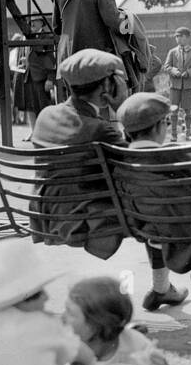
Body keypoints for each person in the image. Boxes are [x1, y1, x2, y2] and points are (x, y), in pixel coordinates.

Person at [115, 91, 191, 311]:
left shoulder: (119, 160)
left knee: (162, 214)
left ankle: (164, 286)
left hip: (147, 229)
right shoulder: (174, 154)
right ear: (159, 126)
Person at [29, 48, 128, 260]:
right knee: (157, 194)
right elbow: (138, 166)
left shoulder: (45, 115)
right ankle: (163, 287)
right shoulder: (100, 129)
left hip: (45, 213)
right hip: (83, 219)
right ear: (106, 86)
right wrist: (123, 109)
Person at [161, 27, 191, 141]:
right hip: (175, 85)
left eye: (180, 36)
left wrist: (188, 72)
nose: (177, 39)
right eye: (176, 36)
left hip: (188, 85)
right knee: (174, 110)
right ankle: (174, 134)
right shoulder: (172, 52)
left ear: (187, 38)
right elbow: (166, 66)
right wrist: (174, 71)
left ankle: (188, 133)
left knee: (188, 110)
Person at [25, 19, 57, 120]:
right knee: (35, 107)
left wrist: (50, 78)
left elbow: (51, 58)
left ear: (41, 23)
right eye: (31, 21)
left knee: (44, 108)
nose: (32, 23)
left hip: (42, 78)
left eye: (35, 21)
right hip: (32, 76)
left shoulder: (47, 37)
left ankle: (48, 132)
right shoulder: (31, 36)